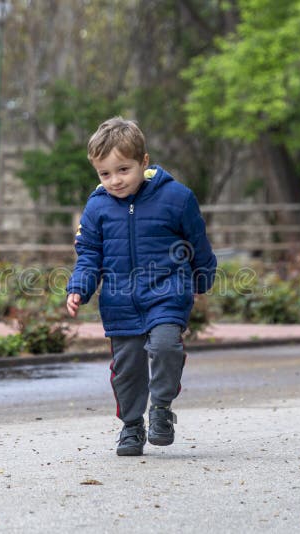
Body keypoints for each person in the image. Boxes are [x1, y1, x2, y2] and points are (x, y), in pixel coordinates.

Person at [66, 117, 217, 456]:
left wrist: (201, 280)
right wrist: (79, 288)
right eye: (105, 174)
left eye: (123, 170)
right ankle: (132, 425)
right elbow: (89, 254)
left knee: (165, 347)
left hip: (167, 292)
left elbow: (198, 245)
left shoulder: (177, 198)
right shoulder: (97, 206)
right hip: (119, 300)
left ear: (143, 162)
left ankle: (161, 408)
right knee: (128, 367)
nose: (115, 181)